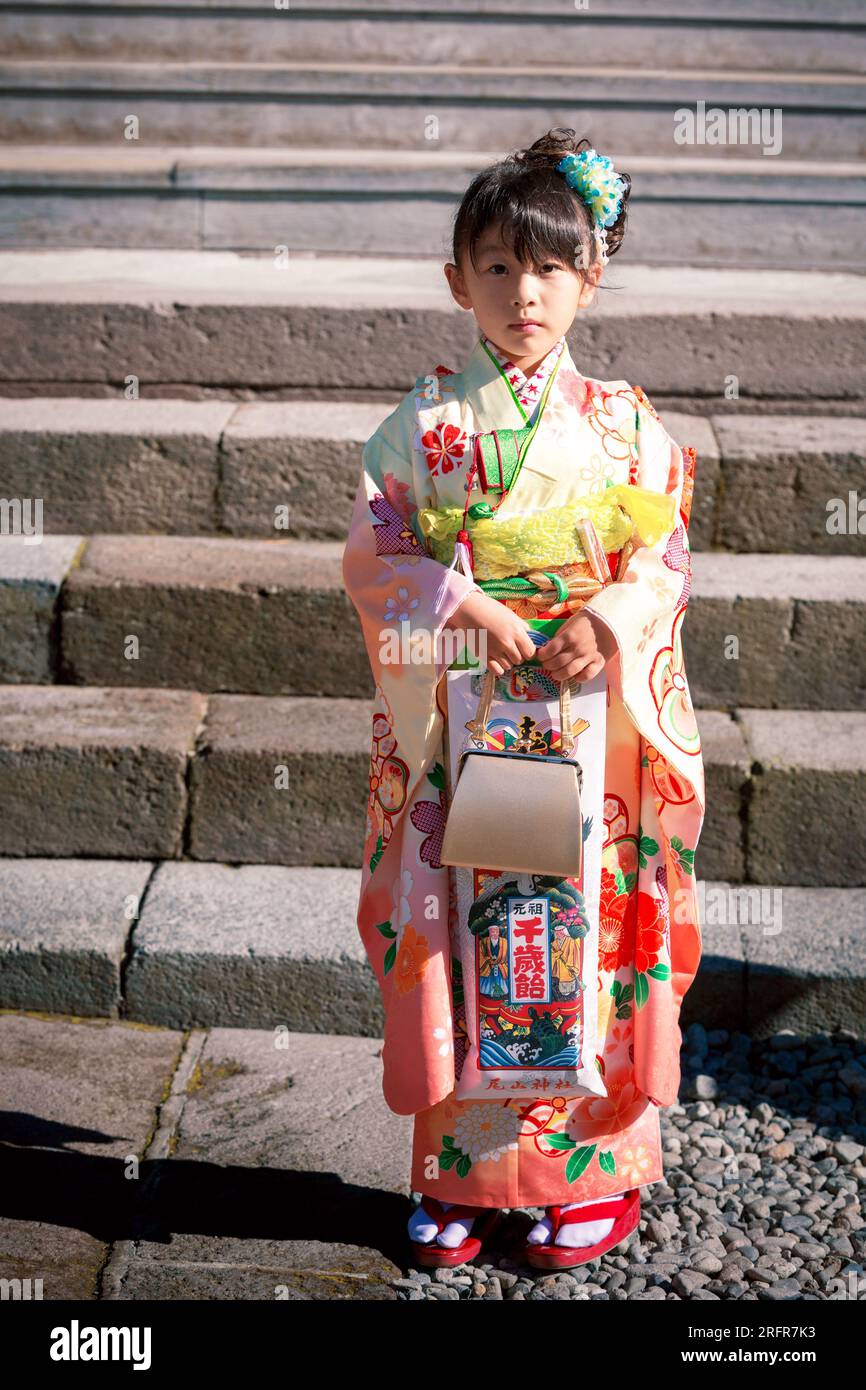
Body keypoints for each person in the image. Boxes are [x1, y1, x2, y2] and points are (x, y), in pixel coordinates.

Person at [341, 129, 706, 1272]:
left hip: (590, 726)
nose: (522, 291)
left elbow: (664, 554)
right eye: (495, 267)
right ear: (458, 282)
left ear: (588, 277)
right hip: (467, 708)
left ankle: (589, 1173)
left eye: (548, 267)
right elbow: (375, 551)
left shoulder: (624, 425)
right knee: (459, 927)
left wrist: (607, 620)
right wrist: (467, 606)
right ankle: (461, 1172)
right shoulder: (425, 425)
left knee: (584, 929)